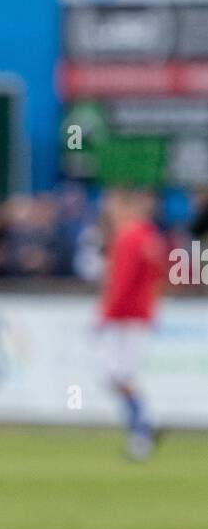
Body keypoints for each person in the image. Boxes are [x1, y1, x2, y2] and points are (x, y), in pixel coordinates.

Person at [98, 186, 165, 461]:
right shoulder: (150, 236)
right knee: (120, 376)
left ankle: (142, 430)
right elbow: (158, 274)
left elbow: (121, 282)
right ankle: (142, 429)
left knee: (119, 375)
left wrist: (107, 313)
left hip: (126, 316)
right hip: (140, 314)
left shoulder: (128, 236)